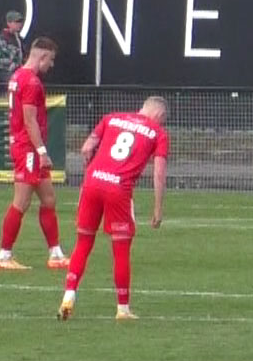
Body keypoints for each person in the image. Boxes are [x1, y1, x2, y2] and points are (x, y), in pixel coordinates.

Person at [59, 97, 170, 321]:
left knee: (83, 243)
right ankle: (123, 309)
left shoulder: (111, 118)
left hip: (91, 183)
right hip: (118, 190)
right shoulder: (158, 133)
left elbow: (86, 148)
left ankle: (68, 295)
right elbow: (159, 173)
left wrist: (90, 170)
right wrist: (158, 208)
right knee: (120, 250)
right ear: (159, 116)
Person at [0, 36, 68, 271]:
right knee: (21, 201)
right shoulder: (32, 82)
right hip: (28, 149)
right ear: (42, 56)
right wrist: (42, 151)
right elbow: (29, 119)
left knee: (48, 199)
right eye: (51, 60)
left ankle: (55, 254)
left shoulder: (17, 76)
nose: (52, 65)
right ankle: (4, 255)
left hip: (26, 146)